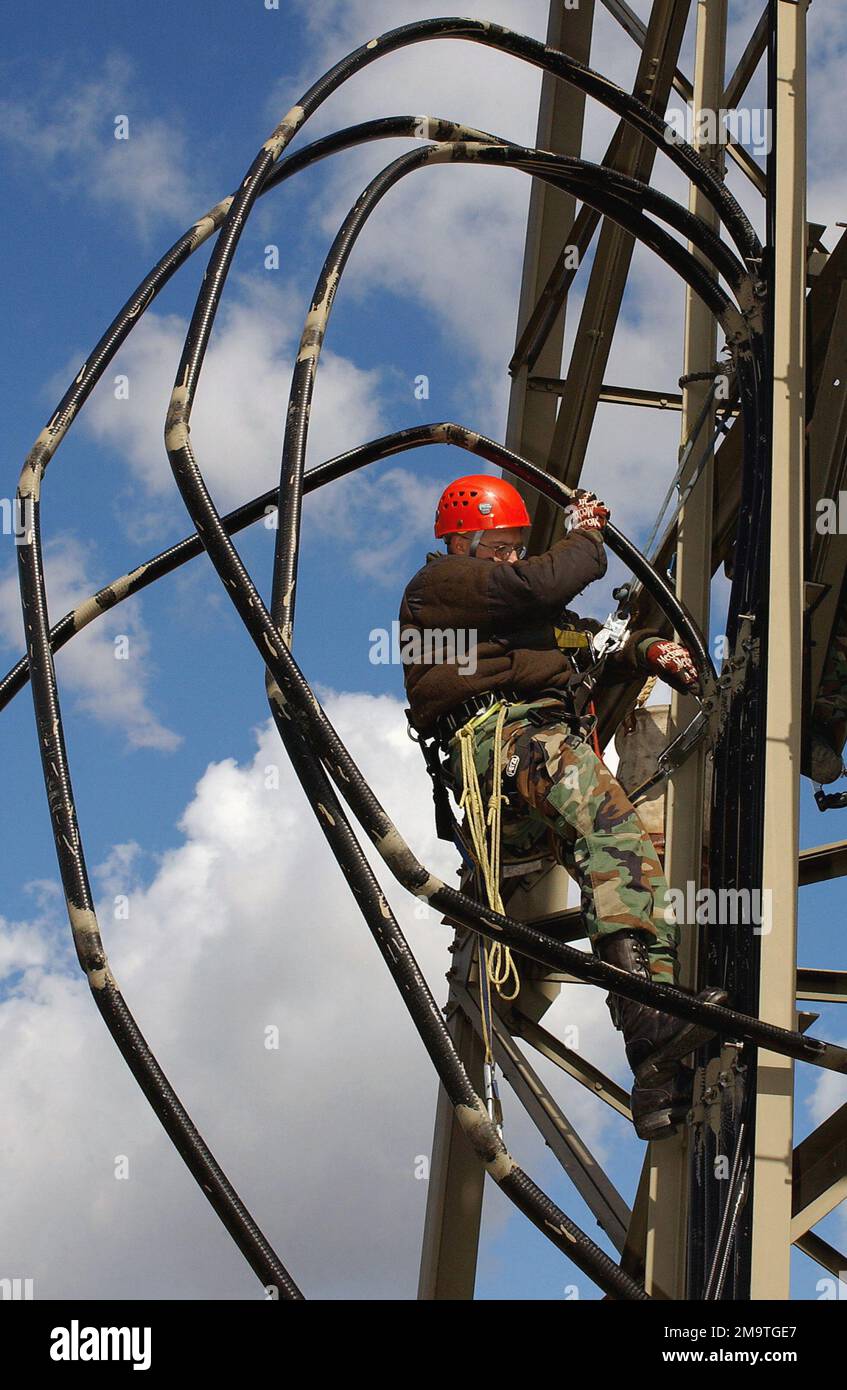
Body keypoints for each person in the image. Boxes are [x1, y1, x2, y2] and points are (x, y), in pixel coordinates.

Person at [398, 473, 726, 1140]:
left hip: (530, 765)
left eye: (517, 545)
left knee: (626, 862)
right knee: (607, 826)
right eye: (497, 544)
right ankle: (649, 1016)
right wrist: (584, 536)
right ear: (458, 539)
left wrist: (650, 650)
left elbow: (583, 640)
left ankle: (654, 1061)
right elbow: (538, 587)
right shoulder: (440, 587)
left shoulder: (518, 615)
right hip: (501, 749)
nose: (509, 557)